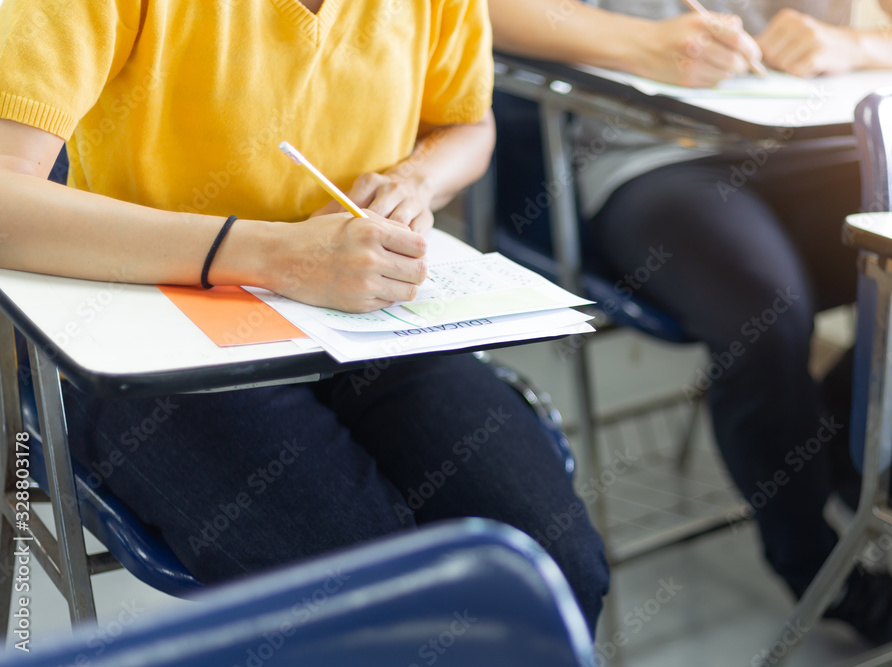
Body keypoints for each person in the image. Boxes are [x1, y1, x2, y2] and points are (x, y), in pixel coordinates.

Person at [0, 0, 610, 634]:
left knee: (556, 571)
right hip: (158, 333)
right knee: (370, 613)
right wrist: (274, 256)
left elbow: (469, 124)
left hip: (365, 320)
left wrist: (414, 180)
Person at [488, 0, 892, 646]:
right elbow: (482, 12)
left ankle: (834, 439)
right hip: (654, 155)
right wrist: (641, 42)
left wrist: (854, 46)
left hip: (810, 139)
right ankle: (820, 570)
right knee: (765, 312)